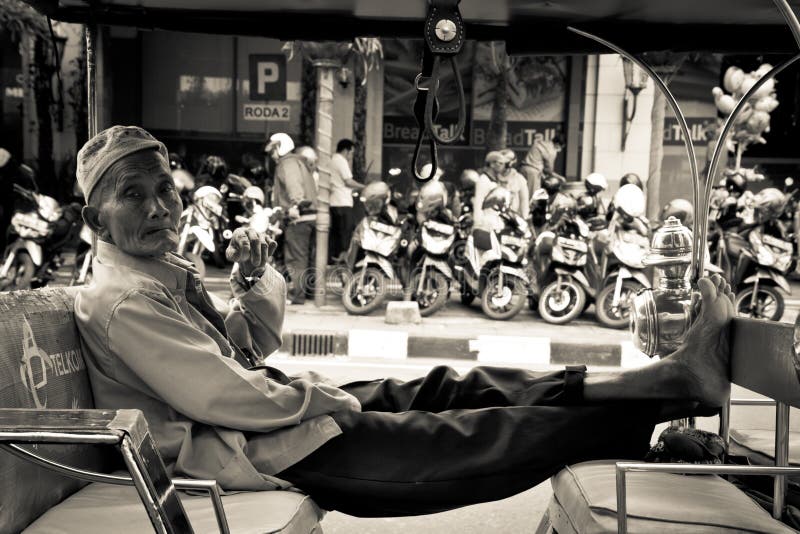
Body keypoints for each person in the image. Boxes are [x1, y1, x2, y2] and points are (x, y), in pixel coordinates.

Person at [74, 125, 735, 518]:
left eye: (164, 188)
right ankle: (665, 394)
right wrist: (328, 400)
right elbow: (223, 395)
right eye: (133, 195)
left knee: (451, 386)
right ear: (95, 219)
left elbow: (249, 349)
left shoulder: (157, 274)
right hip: (242, 451)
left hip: (266, 421)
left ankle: (660, 383)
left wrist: (254, 279)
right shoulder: (124, 298)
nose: (159, 207)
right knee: (463, 438)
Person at [266, 133, 317, 305]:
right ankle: (309, 292)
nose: (272, 155)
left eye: (273, 151)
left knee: (296, 258)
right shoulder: (299, 162)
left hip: (299, 216)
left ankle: (297, 295)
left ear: (280, 148)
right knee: (307, 257)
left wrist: (295, 204)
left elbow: (293, 184)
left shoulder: (287, 163)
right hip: (310, 216)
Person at [329, 139, 364, 262]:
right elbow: (348, 181)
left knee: (337, 233)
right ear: (346, 150)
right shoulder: (341, 160)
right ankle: (342, 259)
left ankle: (335, 257)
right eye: (351, 153)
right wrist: (365, 187)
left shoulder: (332, 160)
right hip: (342, 202)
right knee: (345, 233)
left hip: (334, 202)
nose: (351, 157)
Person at [520, 132, 565, 197]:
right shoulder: (551, 150)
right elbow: (549, 170)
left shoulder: (541, 143)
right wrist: (560, 177)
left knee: (522, 194)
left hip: (523, 169)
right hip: (533, 173)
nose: (560, 150)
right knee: (532, 196)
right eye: (561, 147)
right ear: (557, 144)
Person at [498, 148, 530, 219]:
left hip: (512, 218)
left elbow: (524, 202)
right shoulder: (492, 177)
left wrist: (524, 218)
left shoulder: (519, 179)